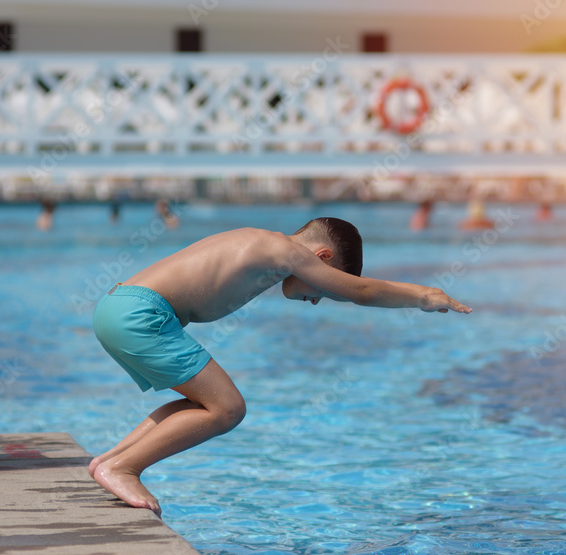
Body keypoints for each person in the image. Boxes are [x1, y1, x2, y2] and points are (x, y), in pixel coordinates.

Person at [89, 217, 471, 516]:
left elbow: (350, 292)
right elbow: (361, 291)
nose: (318, 299)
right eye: (325, 286)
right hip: (142, 315)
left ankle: (109, 461)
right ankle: (124, 467)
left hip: (119, 305)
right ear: (322, 259)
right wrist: (423, 295)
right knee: (228, 409)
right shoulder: (284, 251)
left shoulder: (262, 244)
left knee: (202, 403)